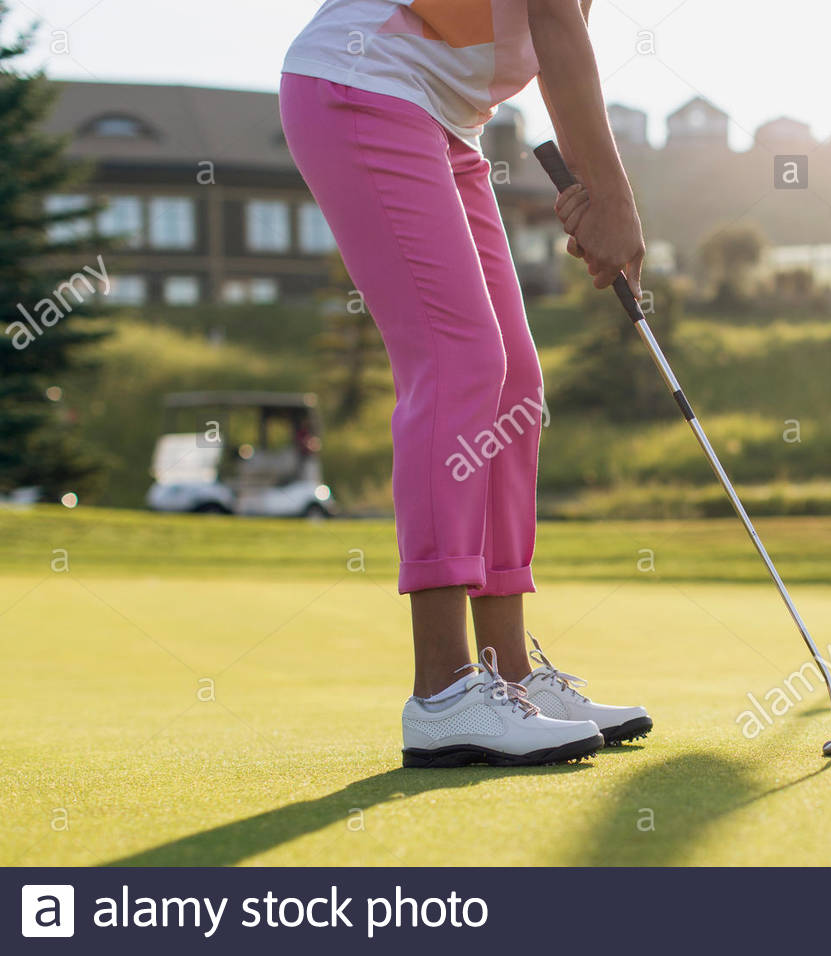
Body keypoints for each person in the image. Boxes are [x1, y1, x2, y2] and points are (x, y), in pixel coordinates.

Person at [279, 0, 650, 767]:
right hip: (365, 83)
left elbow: (556, 33)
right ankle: (444, 693)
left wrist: (593, 188)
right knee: (458, 363)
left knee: (513, 383)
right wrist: (612, 198)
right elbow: (551, 15)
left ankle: (509, 678)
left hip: (445, 123)